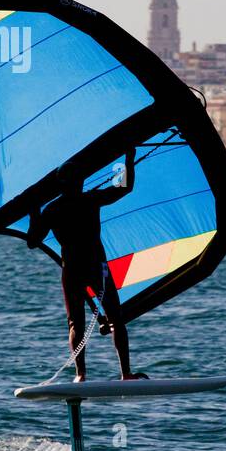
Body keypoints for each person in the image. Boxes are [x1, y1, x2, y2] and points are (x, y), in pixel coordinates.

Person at [27, 151, 147, 382]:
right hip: (94, 266)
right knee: (115, 318)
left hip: (72, 269)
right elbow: (125, 188)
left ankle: (80, 374)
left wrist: (34, 211)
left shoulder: (53, 209)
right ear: (79, 182)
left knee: (76, 324)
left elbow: (33, 242)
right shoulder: (89, 200)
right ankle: (125, 373)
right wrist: (129, 159)